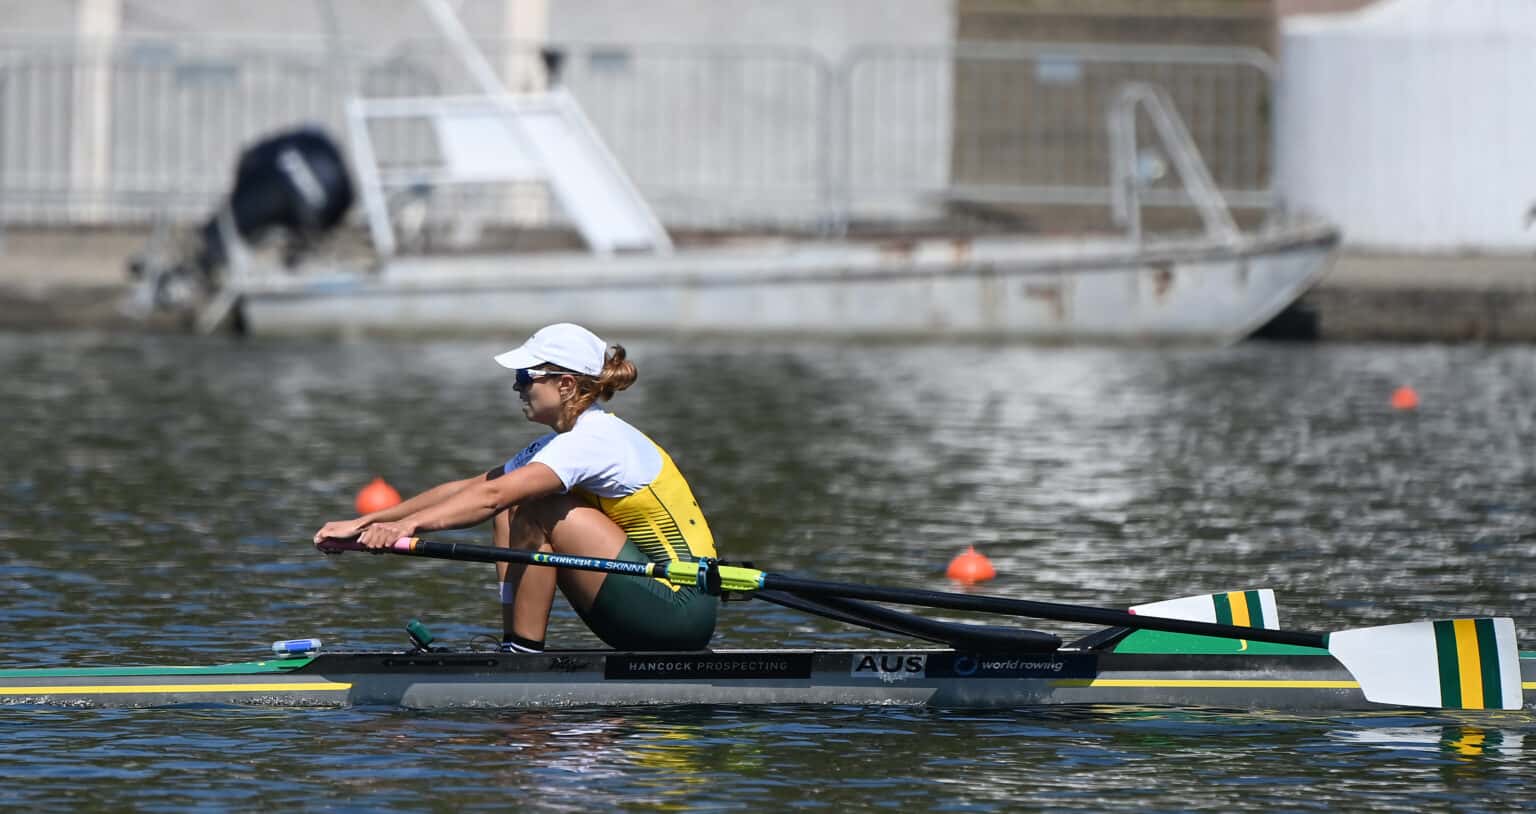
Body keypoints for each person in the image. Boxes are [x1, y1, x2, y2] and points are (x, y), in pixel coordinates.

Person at [312, 323, 719, 653]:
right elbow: (474, 487)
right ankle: (517, 646)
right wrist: (366, 521)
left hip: (679, 607)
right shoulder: (562, 443)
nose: (517, 388)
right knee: (514, 503)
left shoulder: (594, 440)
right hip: (643, 600)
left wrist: (407, 528)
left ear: (565, 385)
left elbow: (492, 497)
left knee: (535, 505)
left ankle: (522, 654)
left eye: (526, 377)